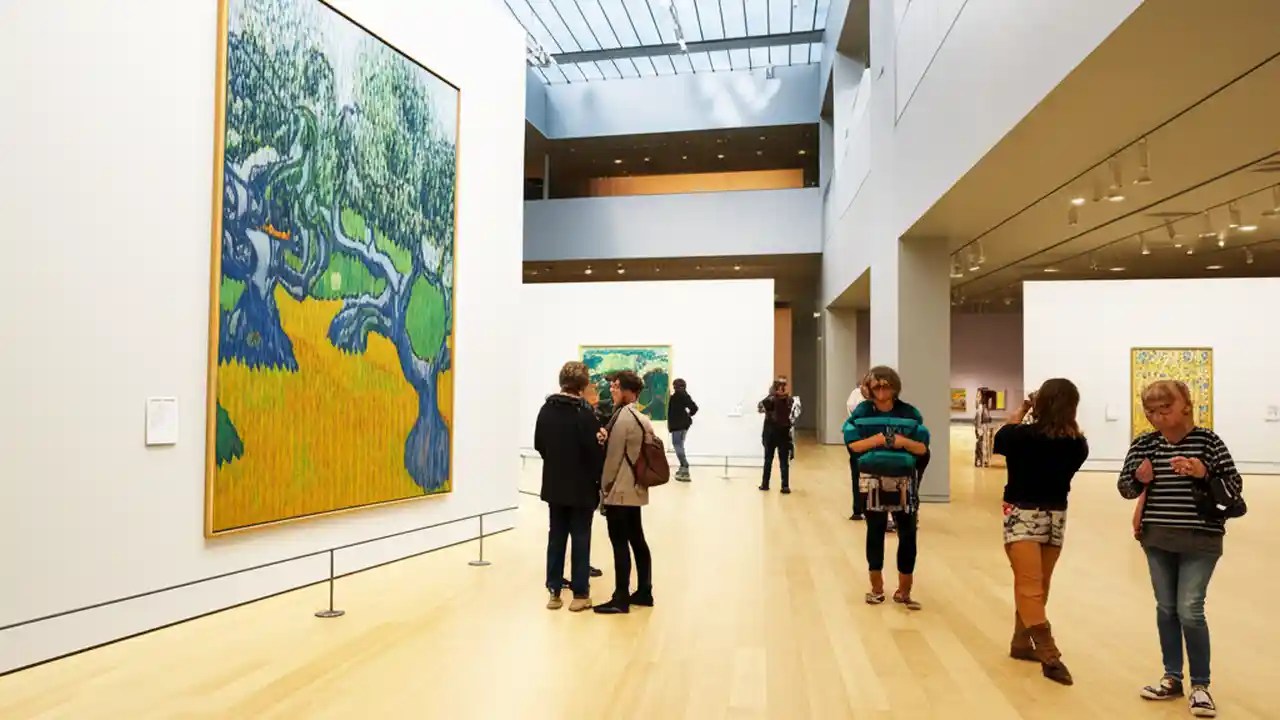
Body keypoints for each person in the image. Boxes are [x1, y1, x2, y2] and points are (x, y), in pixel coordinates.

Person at [1118, 379, 1242, 718]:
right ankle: (1172, 677)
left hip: (1201, 538)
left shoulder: (1209, 442)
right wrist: (1140, 479)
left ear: (1185, 405)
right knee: (1166, 608)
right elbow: (1125, 488)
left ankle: (1200, 685)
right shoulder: (1145, 444)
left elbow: (1233, 486)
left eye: (1165, 409)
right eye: (1150, 411)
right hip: (1157, 538)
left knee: (1190, 609)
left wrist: (1203, 472)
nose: (1157, 417)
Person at [992, 379, 1089, 686]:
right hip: (1056, 514)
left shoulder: (1019, 436)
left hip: (1021, 512)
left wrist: (1023, 408)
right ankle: (1048, 652)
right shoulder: (1078, 444)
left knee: (1030, 584)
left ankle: (1025, 644)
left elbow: (1001, 439)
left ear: (1041, 403)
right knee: (1038, 584)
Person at [844, 366, 929, 610]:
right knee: (875, 530)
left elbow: (923, 447)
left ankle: (904, 590)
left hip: (905, 481)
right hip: (871, 479)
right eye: (877, 386)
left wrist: (903, 442)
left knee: (908, 533)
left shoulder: (910, 413)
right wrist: (881, 440)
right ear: (869, 388)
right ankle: (876, 587)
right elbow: (854, 445)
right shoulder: (861, 412)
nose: (882, 391)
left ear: (894, 387)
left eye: (886, 385)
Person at [533, 362, 605, 613]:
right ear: (583, 385)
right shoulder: (585, 414)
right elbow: (595, 453)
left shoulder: (546, 410)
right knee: (581, 537)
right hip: (582, 486)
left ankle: (554, 591)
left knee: (556, 536)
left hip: (555, 484)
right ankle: (580, 593)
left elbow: (539, 444)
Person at [594, 370, 656, 615]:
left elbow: (612, 460)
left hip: (619, 490)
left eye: (617, 387)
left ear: (630, 391)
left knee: (620, 543)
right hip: (635, 489)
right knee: (637, 540)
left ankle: (620, 597)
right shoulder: (641, 418)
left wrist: (604, 487)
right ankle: (644, 590)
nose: (612, 389)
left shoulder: (624, 419)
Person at [757, 379, 795, 494]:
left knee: (768, 459)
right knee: (784, 461)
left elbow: (759, 408)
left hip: (771, 434)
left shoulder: (770, 400)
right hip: (784, 434)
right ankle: (785, 486)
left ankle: (765, 484)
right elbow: (793, 417)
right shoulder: (790, 401)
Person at [667, 378, 699, 482]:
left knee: (678, 445)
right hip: (681, 425)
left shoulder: (679, 396)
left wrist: (687, 416)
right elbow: (693, 408)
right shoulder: (682, 395)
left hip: (678, 426)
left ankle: (684, 466)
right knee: (679, 445)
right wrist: (687, 416)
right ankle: (683, 467)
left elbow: (694, 408)